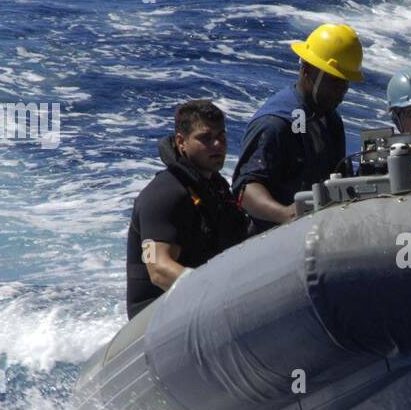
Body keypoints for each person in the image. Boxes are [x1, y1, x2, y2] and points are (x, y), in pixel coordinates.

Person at [231, 22, 363, 234]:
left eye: (345, 83)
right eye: (335, 81)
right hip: (272, 242)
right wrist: (287, 214)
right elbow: (245, 190)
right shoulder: (275, 124)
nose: (343, 91)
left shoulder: (329, 118)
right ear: (306, 72)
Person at [126, 100, 245, 319]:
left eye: (221, 135)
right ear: (182, 142)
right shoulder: (164, 194)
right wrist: (218, 293)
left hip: (201, 304)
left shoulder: (215, 189)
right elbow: (158, 269)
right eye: (206, 138)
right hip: (157, 319)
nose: (218, 144)